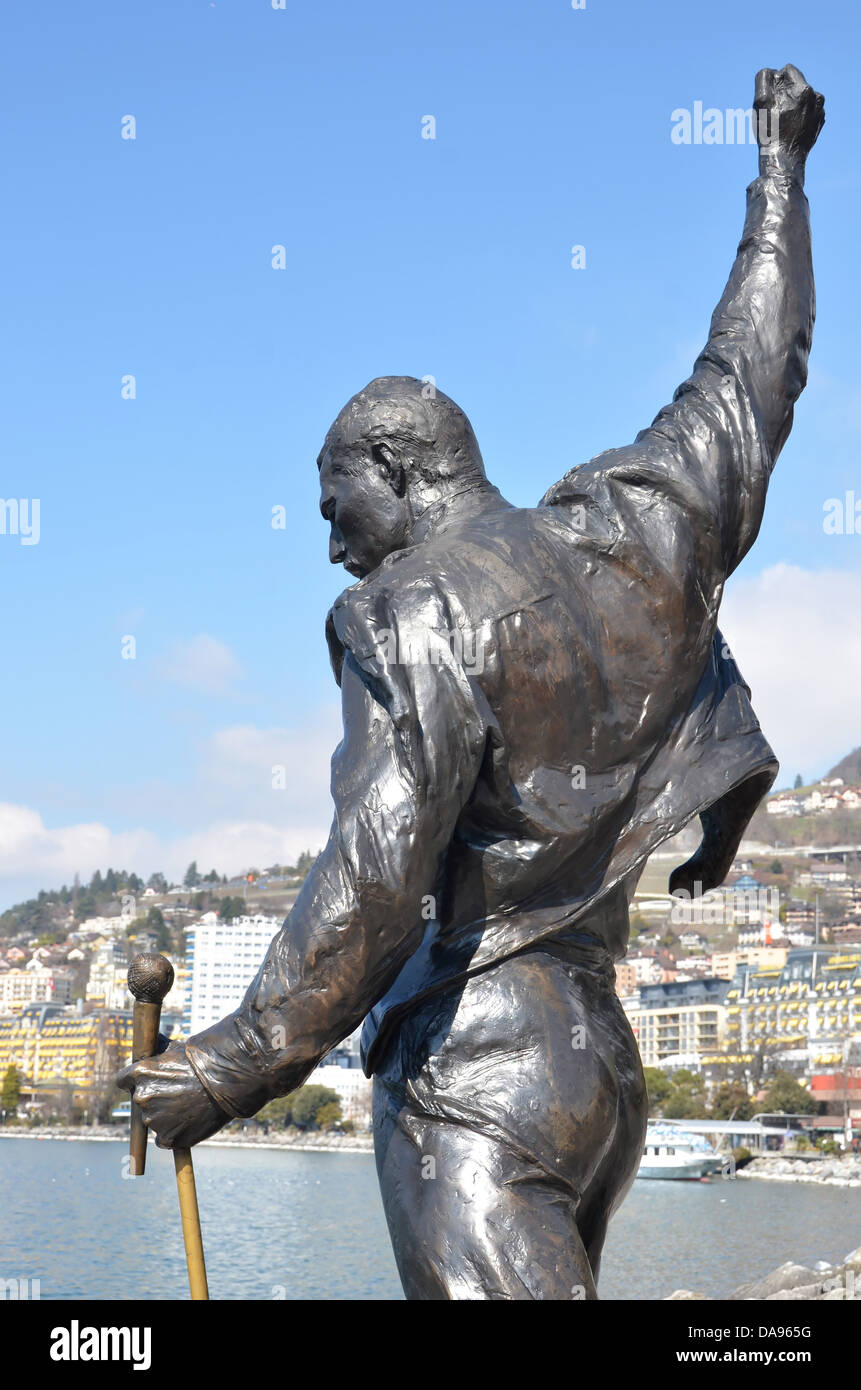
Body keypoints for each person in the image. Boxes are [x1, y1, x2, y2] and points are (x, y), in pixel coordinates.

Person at [119, 65, 824, 1299]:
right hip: (597, 1076)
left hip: (475, 1079)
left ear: (394, 468)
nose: (332, 543)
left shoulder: (408, 612)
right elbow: (749, 381)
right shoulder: (632, 531)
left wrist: (232, 1063)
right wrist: (779, 178)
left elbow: (379, 877)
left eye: (336, 506)